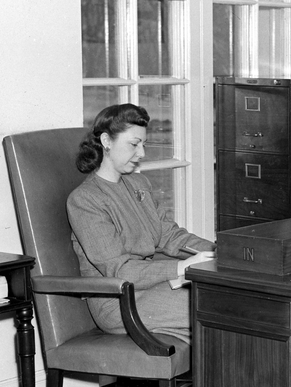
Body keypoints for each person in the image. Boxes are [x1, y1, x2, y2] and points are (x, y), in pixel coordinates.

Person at [67, 103, 215, 345]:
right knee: (223, 308)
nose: (142, 153)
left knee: (228, 301)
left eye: (143, 144)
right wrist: (183, 268)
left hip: (152, 287)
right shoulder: (85, 200)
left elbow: (170, 236)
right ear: (106, 141)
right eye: (134, 144)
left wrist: (220, 252)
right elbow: (120, 271)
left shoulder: (139, 184)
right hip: (118, 302)